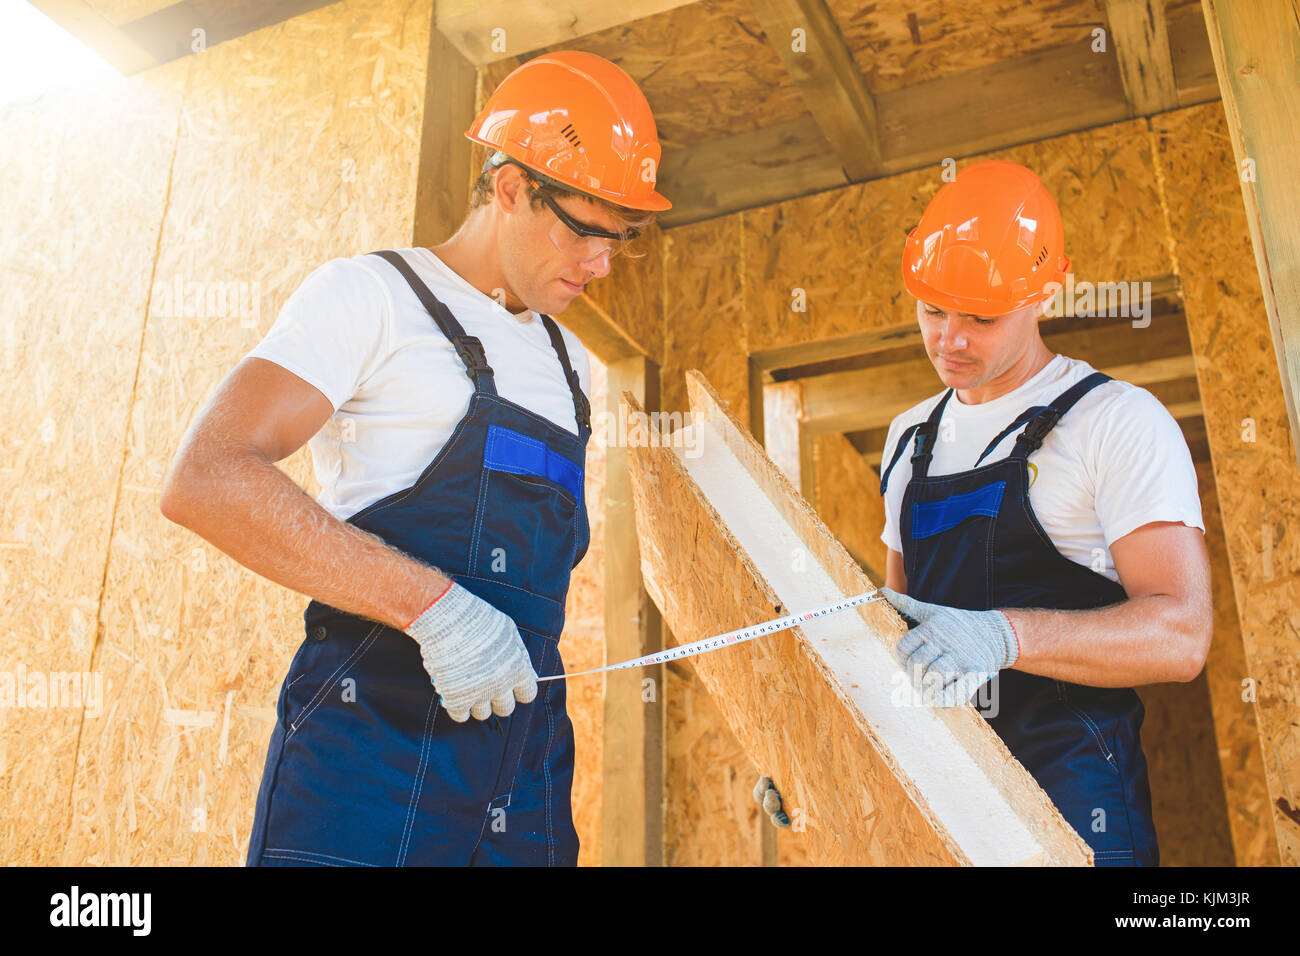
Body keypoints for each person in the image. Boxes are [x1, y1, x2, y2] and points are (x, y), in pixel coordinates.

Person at [159, 50, 670, 866]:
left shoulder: (576, 367)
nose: (602, 264)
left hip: (524, 760)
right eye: (585, 232)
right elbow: (209, 477)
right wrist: (434, 608)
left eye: (622, 240)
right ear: (510, 189)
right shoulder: (375, 297)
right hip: (371, 750)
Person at [875, 159, 1211, 867]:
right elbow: (895, 638)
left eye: (982, 317)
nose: (951, 340)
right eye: (934, 310)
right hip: (941, 808)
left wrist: (1005, 637)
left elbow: (1182, 637)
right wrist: (825, 760)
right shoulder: (910, 440)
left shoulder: (1113, 422)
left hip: (1073, 809)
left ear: (1045, 294)